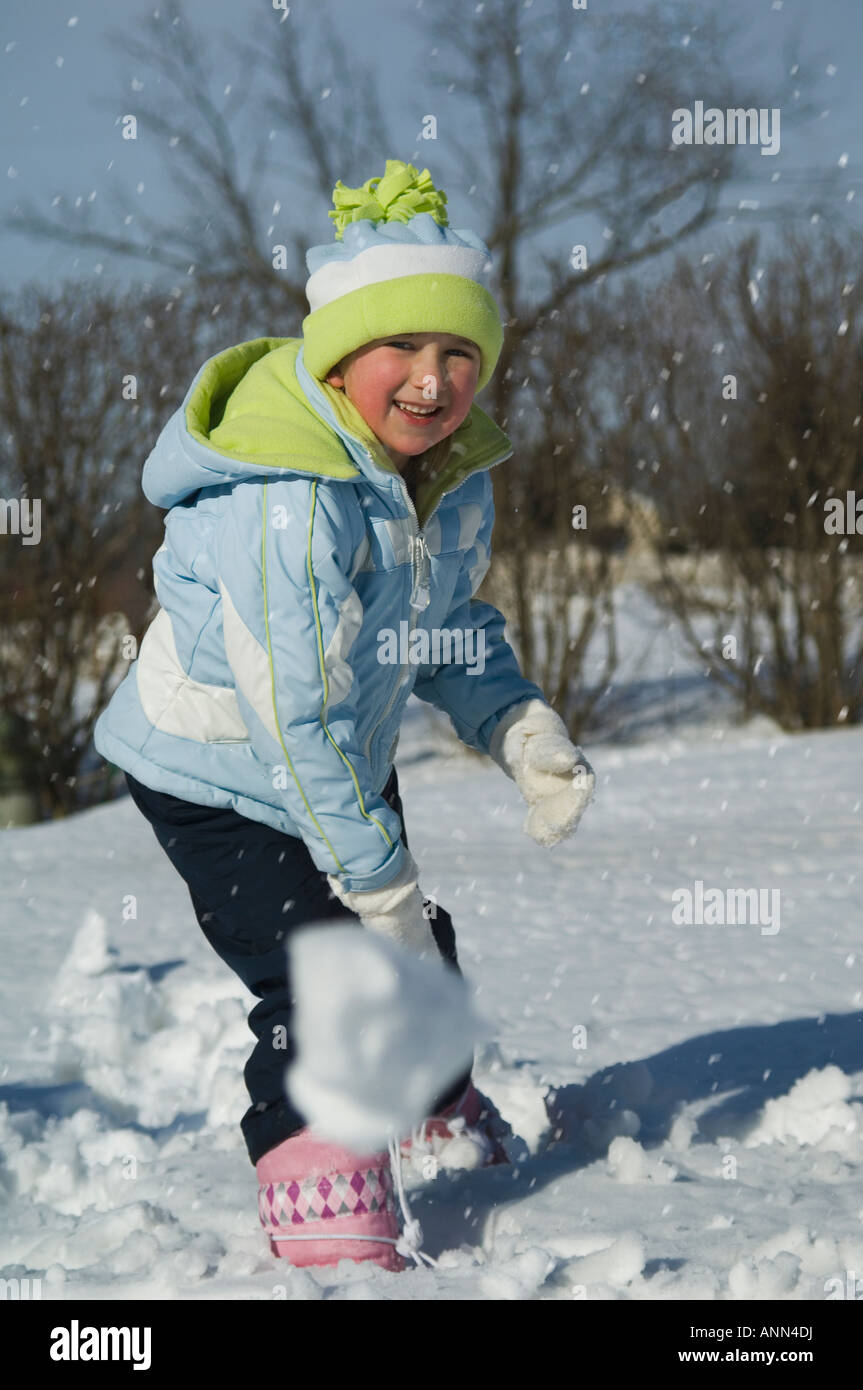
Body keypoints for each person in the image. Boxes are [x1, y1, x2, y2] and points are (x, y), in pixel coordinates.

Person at [94, 159, 595, 1273]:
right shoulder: (285, 495)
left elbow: (445, 626)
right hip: (213, 765)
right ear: (335, 358)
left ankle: (420, 1096)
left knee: (413, 942)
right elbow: (294, 710)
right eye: (400, 350)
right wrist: (374, 890)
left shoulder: (448, 475)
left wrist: (518, 727)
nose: (432, 379)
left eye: (458, 352)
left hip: (334, 750)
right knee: (321, 961)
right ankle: (316, 1179)